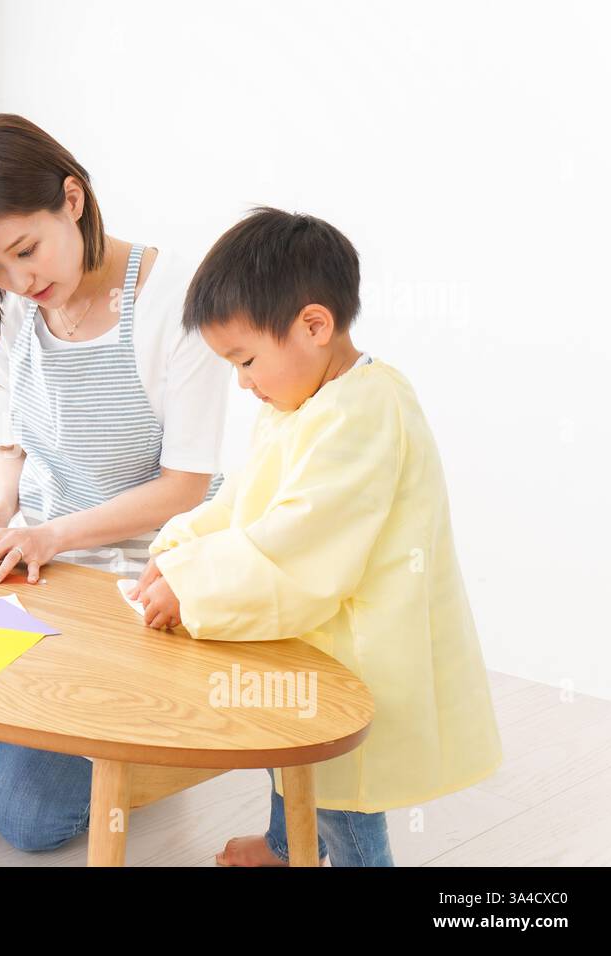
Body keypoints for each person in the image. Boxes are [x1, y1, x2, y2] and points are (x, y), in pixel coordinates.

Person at [0, 114, 231, 850]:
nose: (18, 280)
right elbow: (14, 444)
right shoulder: (16, 305)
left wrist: (49, 534)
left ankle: (105, 737)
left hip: (133, 590)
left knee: (28, 818)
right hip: (32, 575)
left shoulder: (178, 299)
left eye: (25, 251)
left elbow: (187, 485)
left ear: (74, 199)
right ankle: (32, 722)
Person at [132, 208, 503, 865]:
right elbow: (248, 500)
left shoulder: (365, 412)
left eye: (245, 360)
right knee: (292, 750)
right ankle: (283, 846)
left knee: (342, 790)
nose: (242, 383)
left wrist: (191, 586)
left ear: (314, 325)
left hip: (362, 644)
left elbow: (300, 542)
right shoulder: (298, 402)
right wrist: (178, 548)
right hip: (315, 636)